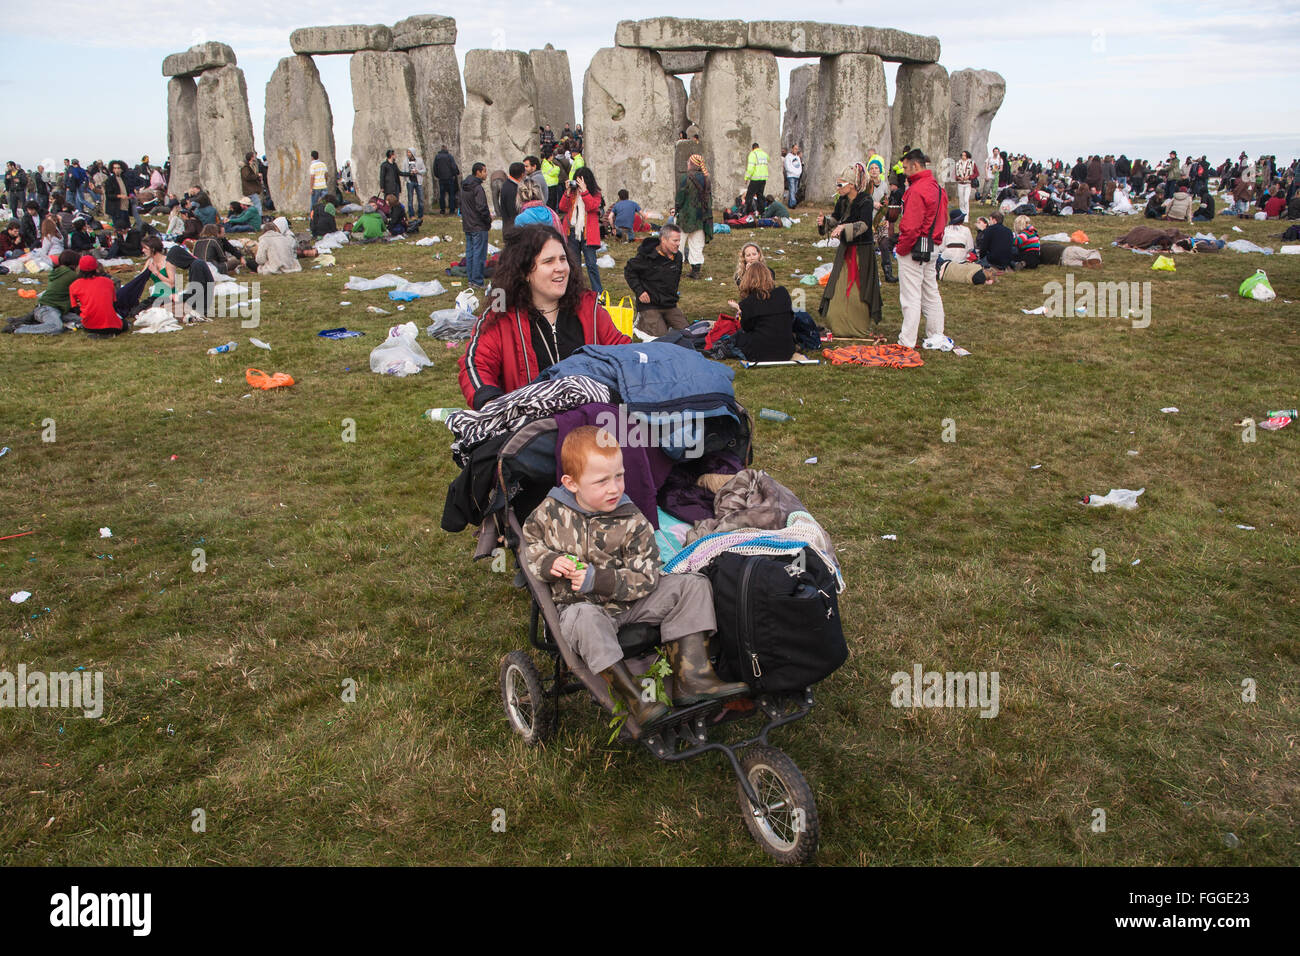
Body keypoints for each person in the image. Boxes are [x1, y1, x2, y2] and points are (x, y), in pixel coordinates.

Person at [521, 426, 746, 732]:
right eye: (602, 481)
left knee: (692, 584)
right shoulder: (551, 514)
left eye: (619, 476)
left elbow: (647, 576)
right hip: (581, 607)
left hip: (630, 601)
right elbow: (530, 546)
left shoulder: (630, 518)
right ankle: (632, 697)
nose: (614, 488)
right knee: (584, 619)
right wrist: (550, 562)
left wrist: (597, 579)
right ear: (571, 483)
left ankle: (693, 675)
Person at [458, 226, 630, 409]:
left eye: (563, 259)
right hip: (532, 426)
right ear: (525, 272)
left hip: (592, 421)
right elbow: (476, 365)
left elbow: (624, 355)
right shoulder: (501, 316)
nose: (561, 268)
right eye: (549, 261)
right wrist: (491, 402)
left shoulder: (590, 309)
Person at [816, 162, 883, 337]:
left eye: (840, 184)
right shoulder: (842, 201)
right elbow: (836, 220)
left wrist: (845, 228)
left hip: (862, 253)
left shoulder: (865, 201)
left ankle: (857, 326)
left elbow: (864, 225)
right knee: (838, 287)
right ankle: (839, 325)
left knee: (858, 291)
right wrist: (825, 222)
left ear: (851, 185)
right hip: (846, 251)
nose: (837, 188)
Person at [893, 149, 947, 350]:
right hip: (933, 245)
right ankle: (936, 334)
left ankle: (907, 340)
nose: (904, 172)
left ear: (915, 166)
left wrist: (901, 249)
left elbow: (910, 226)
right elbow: (943, 219)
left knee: (911, 296)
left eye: (906, 167)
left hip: (914, 248)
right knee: (931, 291)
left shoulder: (916, 190)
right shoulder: (938, 189)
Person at [624, 222, 687, 337]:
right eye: (675, 241)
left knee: (687, 334)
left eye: (679, 240)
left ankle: (664, 321)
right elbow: (629, 270)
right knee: (661, 339)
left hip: (669, 303)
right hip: (649, 305)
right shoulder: (646, 256)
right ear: (663, 239)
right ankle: (641, 324)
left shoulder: (678, 257)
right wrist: (640, 291)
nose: (678, 244)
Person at [726, 261, 796, 362]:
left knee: (736, 337)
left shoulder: (748, 303)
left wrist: (742, 313)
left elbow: (746, 328)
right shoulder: (783, 293)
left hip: (759, 354)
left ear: (747, 279)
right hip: (787, 351)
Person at [558, 166, 604, 295]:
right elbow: (562, 207)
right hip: (571, 231)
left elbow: (592, 207)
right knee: (574, 264)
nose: (577, 184)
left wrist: (584, 191)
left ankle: (597, 291)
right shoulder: (572, 192)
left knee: (591, 264)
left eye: (580, 181)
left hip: (587, 232)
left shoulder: (595, 193)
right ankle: (576, 291)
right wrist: (567, 192)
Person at [69, 255, 128, 335]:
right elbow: (113, 304)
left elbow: (75, 308)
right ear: (96, 267)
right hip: (113, 326)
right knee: (124, 323)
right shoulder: (109, 282)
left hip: (89, 326)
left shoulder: (74, 285)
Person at [675, 154, 712, 280]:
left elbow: (680, 196)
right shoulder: (707, 178)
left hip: (686, 215)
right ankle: (695, 271)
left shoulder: (685, 177)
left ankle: (676, 269)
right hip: (701, 216)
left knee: (678, 243)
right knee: (697, 243)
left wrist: (677, 208)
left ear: (691, 164)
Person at [460, 163, 491, 288]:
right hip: (478, 225)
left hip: (468, 223)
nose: (486, 174)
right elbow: (481, 207)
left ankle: (471, 279)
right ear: (478, 172)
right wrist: (487, 219)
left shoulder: (464, 186)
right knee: (479, 252)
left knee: (471, 251)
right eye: (484, 171)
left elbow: (461, 203)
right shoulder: (477, 188)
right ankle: (477, 280)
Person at [743, 143, 770, 215]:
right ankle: (762, 212)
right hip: (763, 179)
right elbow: (768, 159)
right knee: (760, 196)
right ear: (758, 147)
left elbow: (750, 168)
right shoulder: (764, 154)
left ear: (752, 148)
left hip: (755, 179)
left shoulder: (753, 154)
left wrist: (746, 177)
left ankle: (745, 213)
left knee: (749, 195)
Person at [433, 145, 460, 215]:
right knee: (451, 194)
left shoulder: (437, 157)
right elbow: (453, 166)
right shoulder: (449, 156)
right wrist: (455, 174)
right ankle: (451, 210)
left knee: (442, 195)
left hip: (441, 178)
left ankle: (442, 210)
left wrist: (438, 175)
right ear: (446, 149)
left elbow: (435, 168)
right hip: (449, 178)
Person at [500, 162, 524, 240]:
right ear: (522, 174)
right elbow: (513, 210)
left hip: (509, 226)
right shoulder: (512, 189)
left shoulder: (507, 184)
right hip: (512, 229)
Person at [404, 147, 426, 219]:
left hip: (418, 181)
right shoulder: (405, 161)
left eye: (409, 152)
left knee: (421, 199)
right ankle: (411, 214)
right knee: (410, 199)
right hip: (410, 181)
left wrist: (418, 171)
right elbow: (404, 171)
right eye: (407, 152)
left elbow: (424, 170)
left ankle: (420, 215)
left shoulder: (419, 160)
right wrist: (407, 178)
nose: (408, 154)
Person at [954, 150, 975, 218]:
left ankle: (966, 215)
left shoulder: (971, 163)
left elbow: (976, 173)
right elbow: (954, 174)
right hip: (960, 183)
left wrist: (969, 177)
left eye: (965, 155)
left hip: (968, 183)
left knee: (966, 200)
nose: (963, 157)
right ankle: (962, 215)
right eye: (962, 155)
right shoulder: (958, 163)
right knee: (961, 200)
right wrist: (958, 178)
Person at [784, 145, 802, 209]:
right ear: (792, 149)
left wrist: (799, 173)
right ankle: (793, 204)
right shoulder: (788, 157)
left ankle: (790, 204)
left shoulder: (797, 157)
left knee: (795, 191)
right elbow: (787, 167)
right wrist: (793, 172)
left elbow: (800, 166)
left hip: (797, 176)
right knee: (792, 189)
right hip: (791, 176)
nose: (796, 150)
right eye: (795, 149)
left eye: (797, 149)